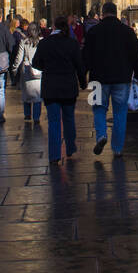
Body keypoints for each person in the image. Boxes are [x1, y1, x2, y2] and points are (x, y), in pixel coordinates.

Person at [83, 0, 138, 158]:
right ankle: (117, 148)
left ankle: (101, 136)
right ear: (116, 13)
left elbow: (85, 58)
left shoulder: (93, 32)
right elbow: (137, 57)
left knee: (98, 109)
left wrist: (82, 77)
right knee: (120, 112)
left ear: (103, 13)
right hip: (122, 79)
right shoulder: (127, 32)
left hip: (98, 80)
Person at [31, 15, 86, 163]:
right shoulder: (72, 44)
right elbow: (80, 66)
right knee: (69, 119)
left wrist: (47, 68)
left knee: (53, 121)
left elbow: (35, 63)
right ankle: (70, 147)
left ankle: (54, 155)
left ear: (53, 26)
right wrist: (83, 83)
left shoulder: (45, 43)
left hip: (51, 88)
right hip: (68, 87)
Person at [11, 21, 43, 124]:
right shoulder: (42, 41)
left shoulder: (24, 42)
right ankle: (36, 117)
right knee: (38, 95)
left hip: (26, 70)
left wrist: (15, 69)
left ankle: (27, 115)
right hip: (39, 70)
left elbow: (19, 58)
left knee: (26, 94)